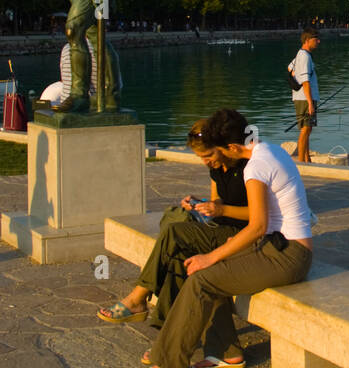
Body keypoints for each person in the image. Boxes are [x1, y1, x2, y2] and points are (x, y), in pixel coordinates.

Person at [133, 108, 314, 368]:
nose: (211, 160)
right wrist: (216, 254)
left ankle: (171, 363)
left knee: (202, 279)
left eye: (214, 152)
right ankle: (225, 352)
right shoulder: (270, 150)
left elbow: (257, 226)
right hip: (277, 247)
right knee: (211, 268)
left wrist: (210, 256)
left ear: (231, 146)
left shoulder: (255, 167)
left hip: (288, 255)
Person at [97, 119, 249, 325]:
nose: (206, 161)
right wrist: (201, 204)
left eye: (208, 155)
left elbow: (259, 216)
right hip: (219, 225)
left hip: (240, 232)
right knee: (174, 227)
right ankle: (165, 335)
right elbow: (218, 201)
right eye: (201, 157)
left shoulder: (248, 168)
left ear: (222, 146)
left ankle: (139, 297)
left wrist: (220, 209)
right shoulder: (216, 168)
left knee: (175, 236)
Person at [288, 27, 320, 163]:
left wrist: (297, 77)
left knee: (308, 129)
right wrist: (310, 102)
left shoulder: (301, 54)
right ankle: (302, 163)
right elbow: (306, 82)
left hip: (303, 97)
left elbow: (290, 67)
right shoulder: (305, 56)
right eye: (316, 39)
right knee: (305, 129)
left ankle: (307, 160)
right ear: (307, 40)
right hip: (305, 98)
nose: (318, 41)